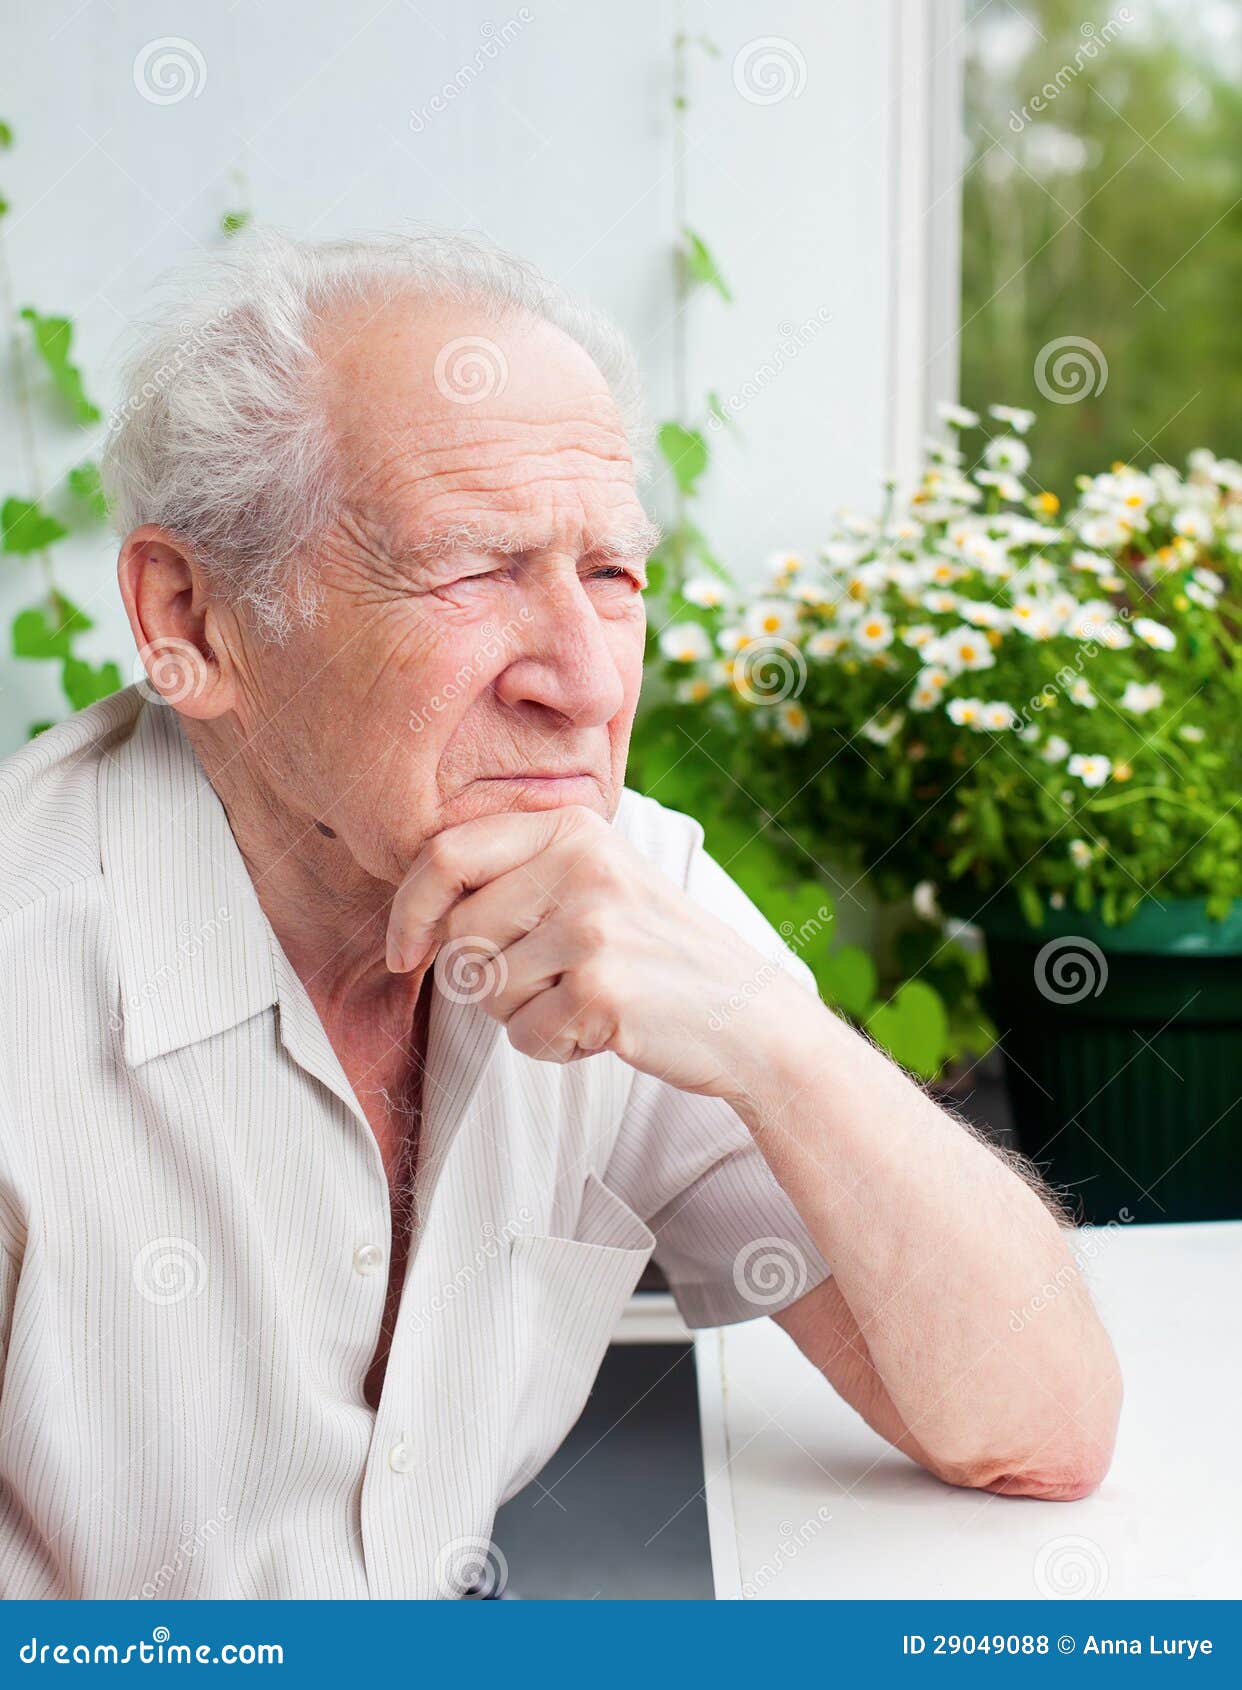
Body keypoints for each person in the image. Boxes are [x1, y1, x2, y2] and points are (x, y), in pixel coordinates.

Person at [0, 231, 1120, 1599]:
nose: (587, 683)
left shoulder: (621, 886)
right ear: (194, 618)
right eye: (473, 570)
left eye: (611, 574)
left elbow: (1035, 1427)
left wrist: (777, 1039)